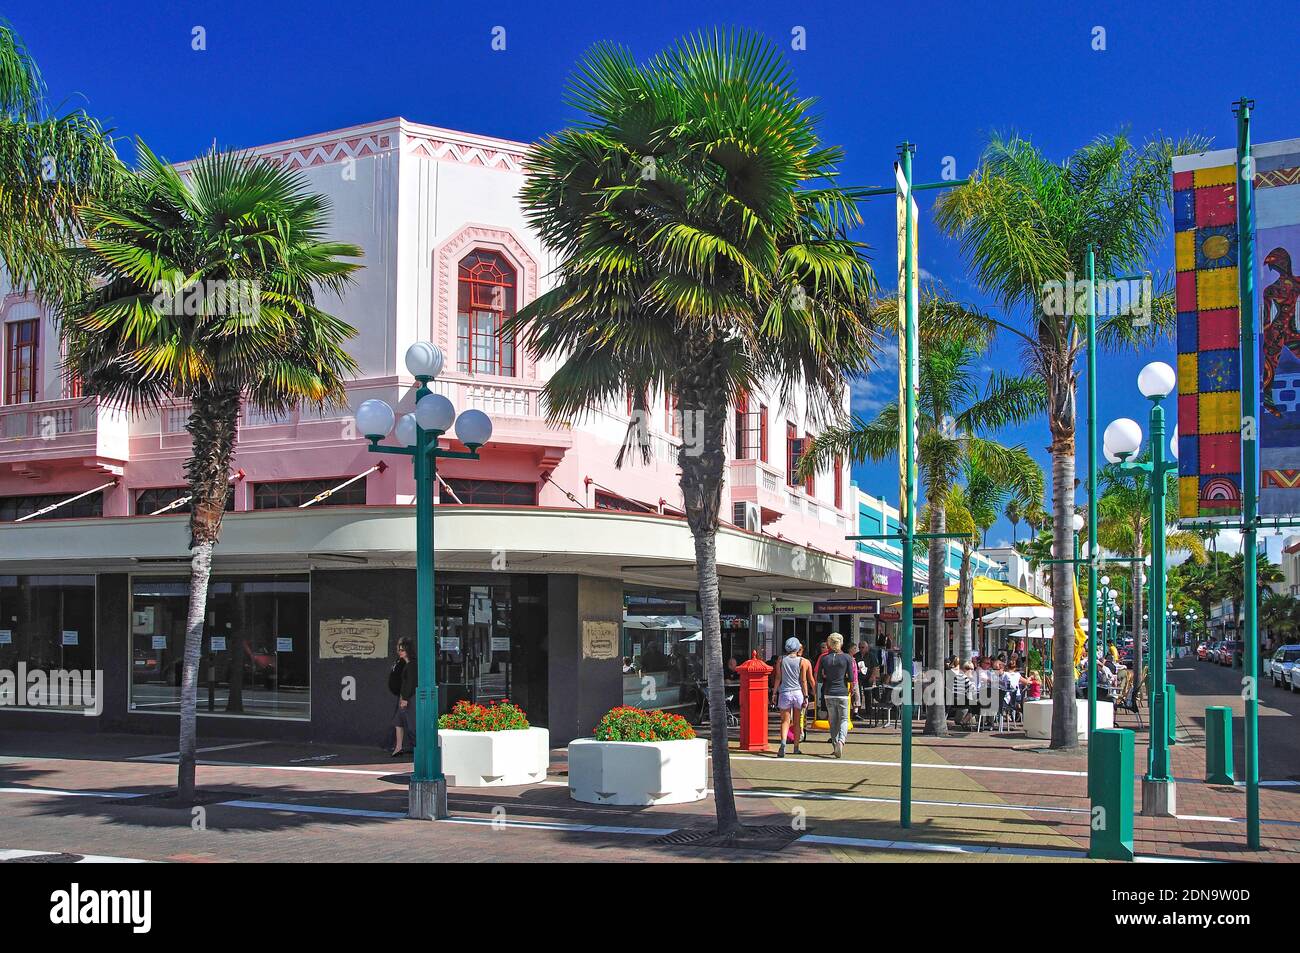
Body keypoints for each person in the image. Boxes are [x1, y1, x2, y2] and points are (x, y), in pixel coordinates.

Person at [771, 638, 814, 758]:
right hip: (797, 693)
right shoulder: (803, 661)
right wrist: (806, 696)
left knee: (785, 721)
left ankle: (783, 744)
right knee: (796, 722)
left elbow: (778, 678)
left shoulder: (781, 659)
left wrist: (774, 693)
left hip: (784, 692)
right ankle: (796, 748)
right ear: (797, 648)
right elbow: (804, 680)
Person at [817, 633, 854, 758]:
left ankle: (835, 745)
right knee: (843, 719)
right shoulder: (847, 658)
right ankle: (841, 741)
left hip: (829, 693)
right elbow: (851, 678)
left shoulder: (824, 658)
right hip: (842, 692)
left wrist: (827, 676)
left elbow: (820, 679)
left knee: (832, 721)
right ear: (841, 643)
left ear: (829, 643)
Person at [389, 637, 417, 758]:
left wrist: (405, 699)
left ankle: (418, 747)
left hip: (408, 699)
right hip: (403, 698)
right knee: (398, 722)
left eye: (403, 650)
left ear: (408, 651)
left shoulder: (411, 665)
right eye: (399, 649)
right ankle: (399, 747)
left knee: (412, 725)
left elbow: (410, 683)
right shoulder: (405, 664)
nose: (400, 652)